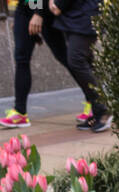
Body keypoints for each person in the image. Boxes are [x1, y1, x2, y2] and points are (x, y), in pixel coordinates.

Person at [0, 0, 89, 130]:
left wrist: (38, 14)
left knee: (64, 56)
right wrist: (19, 18)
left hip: (44, 8)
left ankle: (94, 100)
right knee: (21, 58)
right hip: (25, 8)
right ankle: (20, 112)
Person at [49, 0, 111, 132]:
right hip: (65, 18)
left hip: (76, 17)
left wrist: (39, 12)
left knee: (76, 61)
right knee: (83, 62)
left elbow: (33, 3)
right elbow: (26, 4)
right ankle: (98, 109)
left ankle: (101, 108)